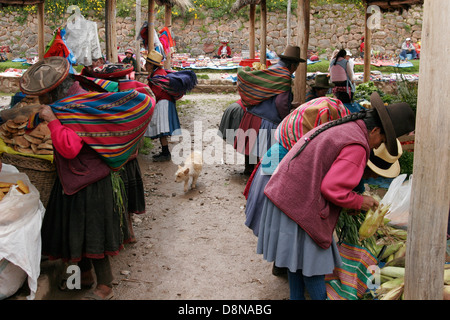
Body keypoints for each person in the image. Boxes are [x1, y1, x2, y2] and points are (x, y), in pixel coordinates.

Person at [256, 92, 416, 300]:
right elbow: (332, 188)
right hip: (298, 206)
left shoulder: (347, 127)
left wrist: (352, 202)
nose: (377, 146)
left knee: (297, 263)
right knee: (313, 267)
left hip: (285, 196)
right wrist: (361, 201)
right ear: (375, 130)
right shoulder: (358, 145)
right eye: (381, 141)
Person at [19, 56, 154, 300]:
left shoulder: (75, 107)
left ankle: (105, 287)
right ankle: (82, 277)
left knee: (94, 236)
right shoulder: (76, 98)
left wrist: (52, 121)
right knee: (74, 233)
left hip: (91, 181)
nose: (40, 101)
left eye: (42, 96)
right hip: (73, 178)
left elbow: (70, 147)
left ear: (52, 92)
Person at [234, 45, 305, 174]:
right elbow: (280, 102)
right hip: (267, 118)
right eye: (296, 67)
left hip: (253, 114)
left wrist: (292, 104)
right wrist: (285, 119)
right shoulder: (284, 76)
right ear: (293, 65)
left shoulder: (272, 70)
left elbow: (269, 94)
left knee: (252, 147)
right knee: (264, 151)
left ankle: (248, 171)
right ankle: (259, 177)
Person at [144, 50, 181, 162]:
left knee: (162, 130)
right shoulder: (158, 73)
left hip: (163, 103)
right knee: (162, 130)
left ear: (151, 65)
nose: (145, 66)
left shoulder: (158, 75)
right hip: (164, 102)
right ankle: (165, 152)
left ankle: (166, 153)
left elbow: (157, 92)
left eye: (147, 63)